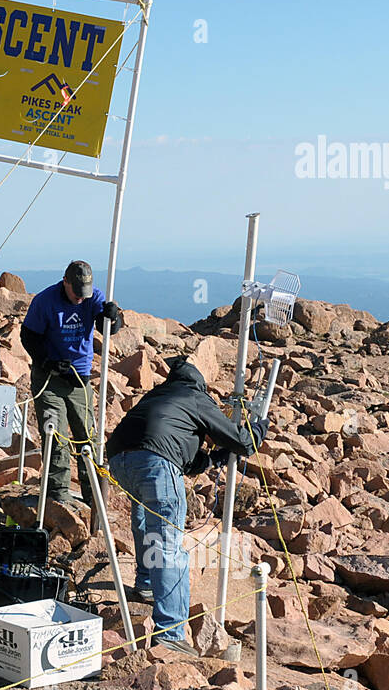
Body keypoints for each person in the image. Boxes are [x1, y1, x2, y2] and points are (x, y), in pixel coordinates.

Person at [104, 358, 267, 656]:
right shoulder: (195, 396)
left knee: (143, 516)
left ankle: (145, 583)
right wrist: (258, 429)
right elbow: (240, 442)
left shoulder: (156, 396)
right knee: (167, 543)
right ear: (199, 383)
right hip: (156, 463)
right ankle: (171, 631)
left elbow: (175, 446)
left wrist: (209, 460)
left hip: (118, 461)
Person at [20, 260, 120, 507]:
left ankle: (94, 495)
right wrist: (47, 362)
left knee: (87, 437)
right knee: (56, 436)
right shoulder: (45, 301)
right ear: (65, 282)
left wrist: (114, 317)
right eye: (76, 293)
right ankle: (58, 494)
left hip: (80, 380)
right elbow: (28, 336)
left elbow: (106, 325)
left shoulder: (92, 297)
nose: (80, 299)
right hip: (50, 379)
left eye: (84, 293)